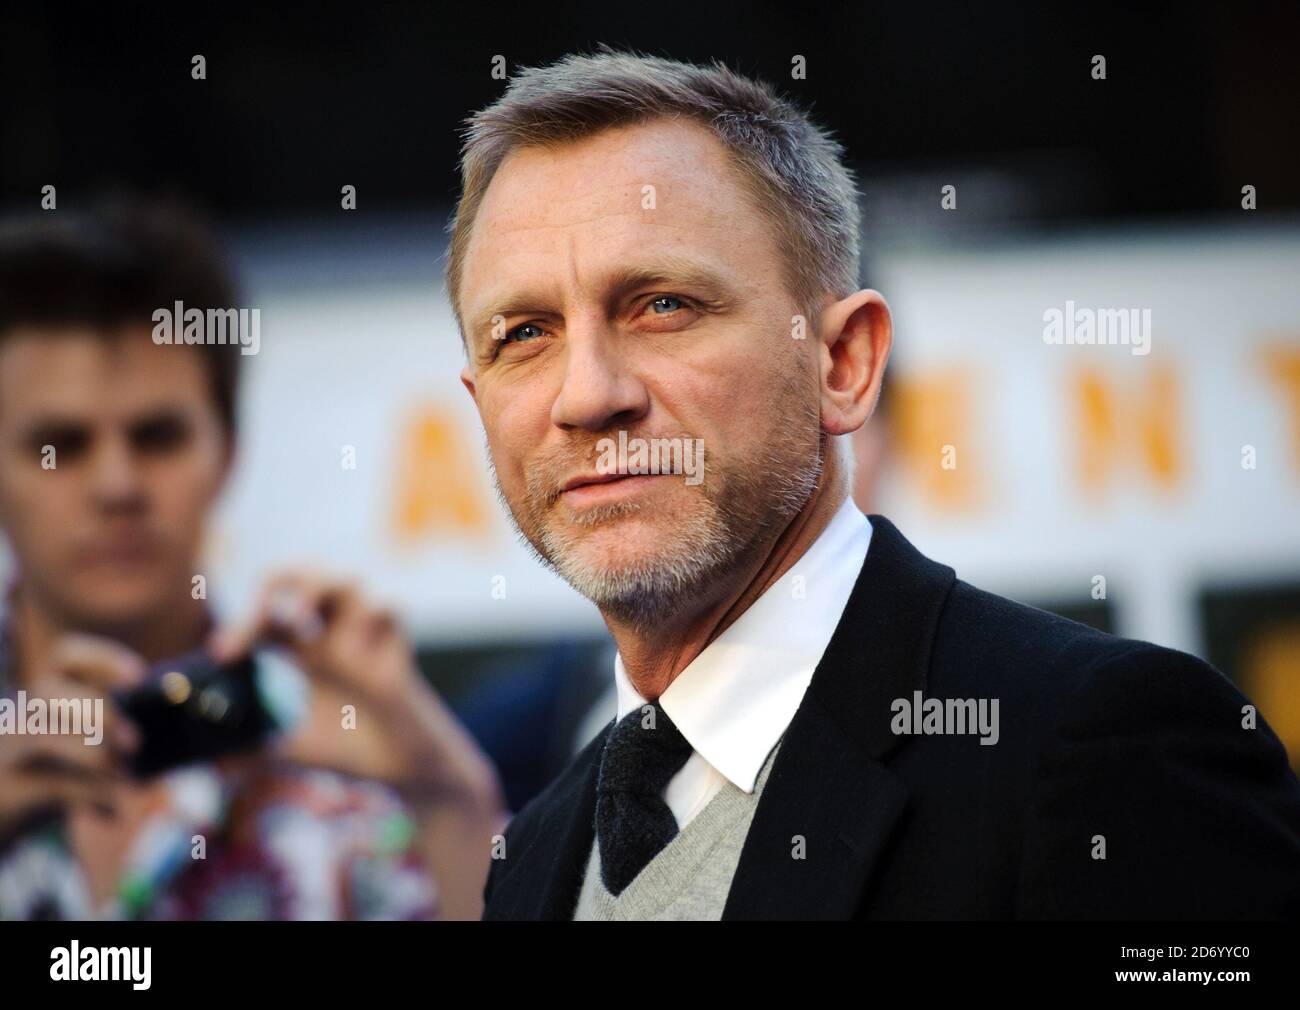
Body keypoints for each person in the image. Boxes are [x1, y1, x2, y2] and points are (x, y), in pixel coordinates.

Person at [444, 50, 1300, 920]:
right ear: (480, 402)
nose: (588, 395)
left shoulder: (1104, 745)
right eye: (522, 333)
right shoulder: (537, 854)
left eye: (663, 304)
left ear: (845, 364)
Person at [0, 199, 505, 920]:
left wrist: (450, 799)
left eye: (158, 436)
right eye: (62, 444)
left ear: (228, 451)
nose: (116, 485)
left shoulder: (357, 758)